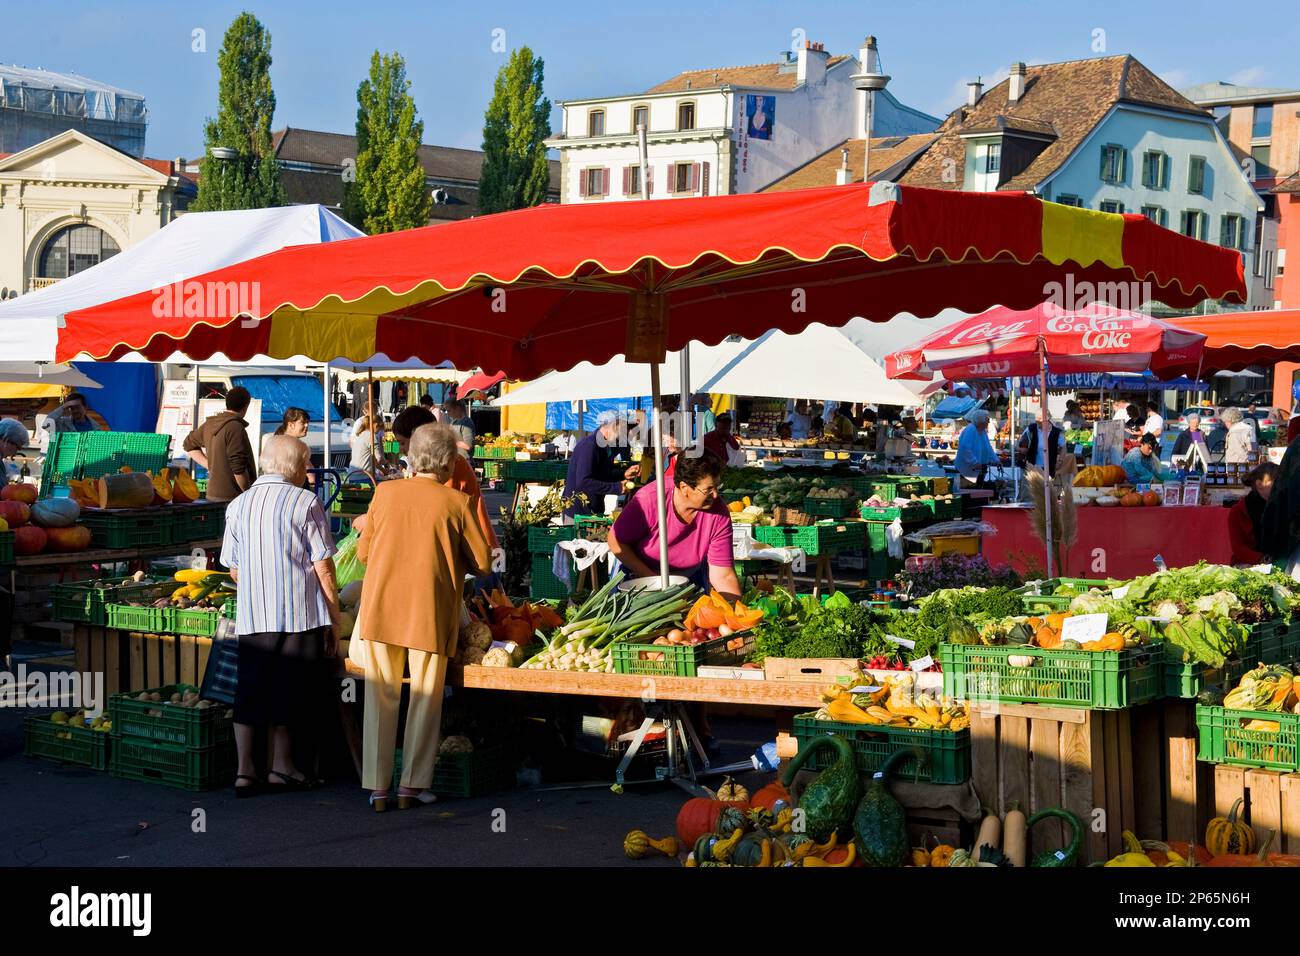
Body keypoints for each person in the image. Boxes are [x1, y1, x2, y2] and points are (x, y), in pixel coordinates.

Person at [357, 424, 492, 811]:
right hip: (430, 612)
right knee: (425, 697)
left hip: (382, 608)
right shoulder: (455, 504)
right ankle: (411, 787)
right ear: (449, 463)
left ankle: (378, 789)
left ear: (412, 458)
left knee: (381, 695)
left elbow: (365, 554)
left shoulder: (385, 493)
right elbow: (483, 562)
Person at [220, 436, 340, 797]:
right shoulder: (305, 502)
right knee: (290, 691)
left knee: (251, 691)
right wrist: (334, 619)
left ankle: (245, 773)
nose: (308, 472)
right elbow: (323, 566)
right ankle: (281, 768)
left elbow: (234, 568)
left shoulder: (238, 505)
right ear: (296, 467)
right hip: (298, 614)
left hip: (254, 616)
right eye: (306, 465)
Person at [608, 450, 742, 597]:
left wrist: (735, 611)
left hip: (691, 580)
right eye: (708, 489)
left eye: (717, 486)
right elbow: (615, 540)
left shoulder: (718, 513)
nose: (715, 495)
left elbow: (723, 575)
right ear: (684, 488)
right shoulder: (650, 500)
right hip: (640, 581)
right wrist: (652, 579)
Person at [391, 406, 498, 549]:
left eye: (402, 442)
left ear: (420, 439)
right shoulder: (431, 465)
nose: (400, 449)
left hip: (477, 549)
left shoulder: (449, 464)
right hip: (464, 546)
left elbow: (437, 510)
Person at [183, 386, 255, 503]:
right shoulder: (235, 427)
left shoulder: (210, 424)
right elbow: (238, 469)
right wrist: (249, 493)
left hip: (212, 495)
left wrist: (209, 464)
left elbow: (188, 445)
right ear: (246, 406)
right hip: (233, 498)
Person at [563, 411, 637, 517]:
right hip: (579, 514)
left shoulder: (605, 445)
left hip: (593, 510)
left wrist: (624, 474)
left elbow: (603, 474)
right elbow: (583, 482)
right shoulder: (589, 446)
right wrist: (617, 488)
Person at [1229, 462, 1278, 566]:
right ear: (1259, 484)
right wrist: (1263, 560)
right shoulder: (1238, 511)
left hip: (1277, 561)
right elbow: (1239, 549)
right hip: (1246, 564)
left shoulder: (1281, 505)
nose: (1280, 486)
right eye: (1275, 482)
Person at [955, 410, 1000, 489]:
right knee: (969, 494)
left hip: (978, 469)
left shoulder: (982, 432)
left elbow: (988, 448)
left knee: (978, 492)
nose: (988, 422)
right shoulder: (970, 430)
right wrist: (974, 462)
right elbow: (965, 448)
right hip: (967, 470)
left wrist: (996, 460)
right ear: (980, 421)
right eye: (987, 420)